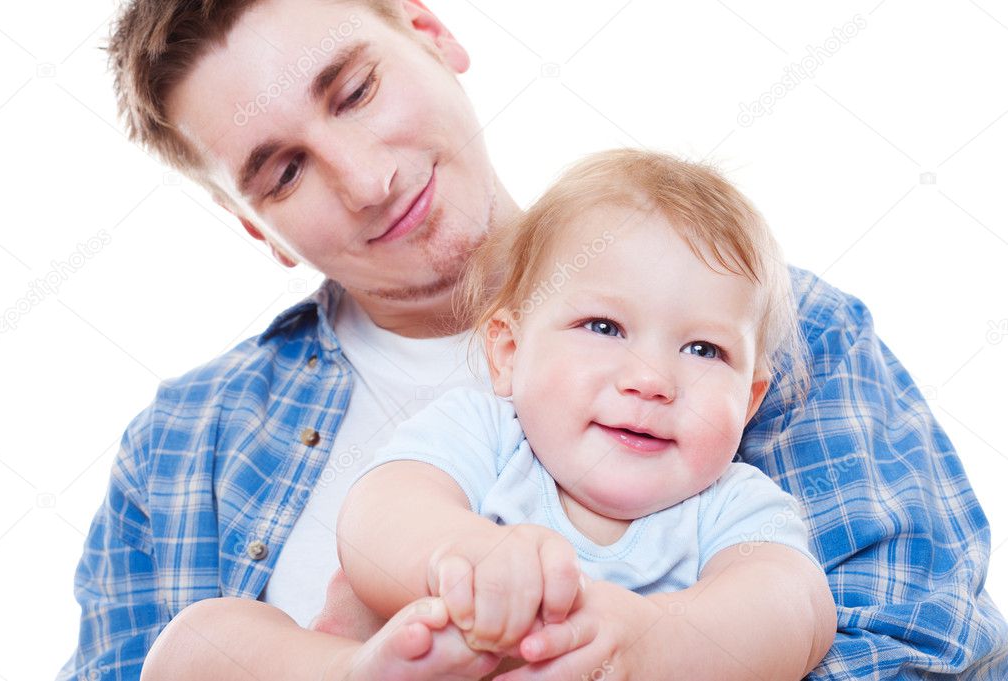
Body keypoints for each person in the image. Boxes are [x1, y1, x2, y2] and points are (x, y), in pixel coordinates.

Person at [60, 0, 1008, 679]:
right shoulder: (180, 446)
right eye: (280, 172)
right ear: (255, 229)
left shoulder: (776, 334)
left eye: (353, 90)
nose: (363, 180)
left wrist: (650, 648)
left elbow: (913, 637)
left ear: (429, 34)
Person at [335, 149, 837, 678]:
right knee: (238, 629)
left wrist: (658, 643)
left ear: (748, 400)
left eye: (704, 351)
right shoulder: (486, 435)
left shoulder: (732, 507)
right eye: (604, 327)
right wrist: (464, 556)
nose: (652, 381)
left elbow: (795, 604)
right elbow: (380, 509)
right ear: (508, 352)